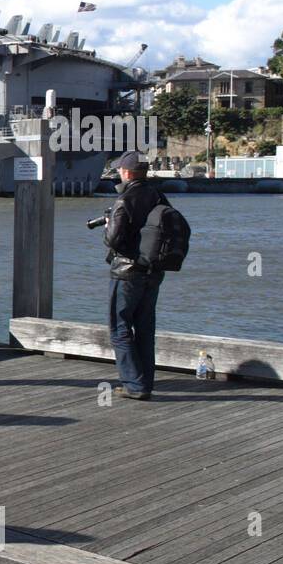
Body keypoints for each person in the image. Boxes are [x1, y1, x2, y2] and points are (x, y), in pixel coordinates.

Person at [104, 151, 169, 401]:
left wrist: (110, 222)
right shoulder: (157, 195)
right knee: (145, 327)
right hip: (153, 271)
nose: (119, 173)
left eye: (120, 169)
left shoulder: (125, 199)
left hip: (126, 272)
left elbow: (113, 239)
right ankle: (146, 383)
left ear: (127, 172)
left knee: (119, 327)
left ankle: (133, 384)